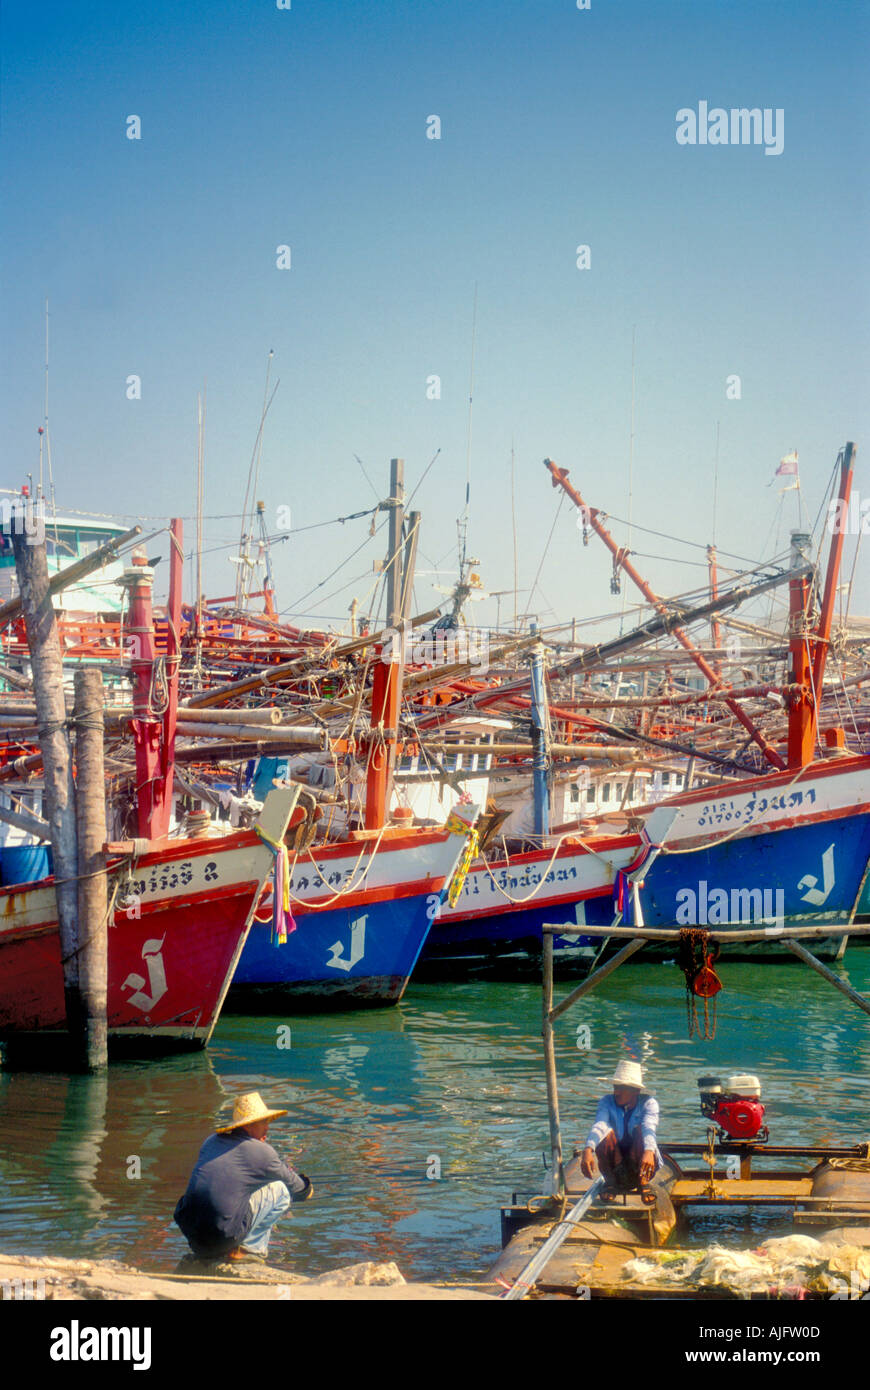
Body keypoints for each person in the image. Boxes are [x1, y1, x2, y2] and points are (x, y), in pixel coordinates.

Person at [174, 1091, 313, 1263]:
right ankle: (250, 1250)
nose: (267, 1127)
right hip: (221, 1237)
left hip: (193, 1238)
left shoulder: (211, 1141)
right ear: (249, 1125)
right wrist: (307, 1186)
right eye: (264, 1122)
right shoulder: (261, 1151)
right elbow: (299, 1189)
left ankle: (218, 1249)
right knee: (281, 1189)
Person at [579, 1060, 661, 1205]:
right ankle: (611, 1181)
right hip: (615, 1164)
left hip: (639, 1162)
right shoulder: (607, 1102)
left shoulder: (648, 1104)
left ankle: (643, 1181)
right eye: (615, 1087)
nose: (616, 1092)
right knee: (605, 1132)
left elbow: (649, 1127)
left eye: (622, 1088)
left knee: (641, 1131)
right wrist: (588, 1148)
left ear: (636, 1091)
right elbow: (600, 1124)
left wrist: (649, 1151)